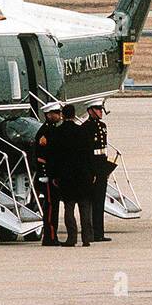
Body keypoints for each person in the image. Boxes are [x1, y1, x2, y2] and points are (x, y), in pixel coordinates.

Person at [51, 103, 93, 247]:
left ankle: (72, 238)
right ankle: (86, 238)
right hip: (82, 175)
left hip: (66, 176)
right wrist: (92, 172)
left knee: (69, 208)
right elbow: (89, 154)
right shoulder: (82, 131)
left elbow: (55, 157)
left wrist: (55, 175)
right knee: (84, 207)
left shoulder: (58, 132)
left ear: (62, 115)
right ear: (74, 115)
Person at [33, 101, 64, 246]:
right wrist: (47, 175)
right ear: (48, 115)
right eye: (56, 113)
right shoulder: (45, 132)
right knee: (51, 207)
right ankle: (50, 237)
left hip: (52, 174)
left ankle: (52, 236)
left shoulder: (52, 130)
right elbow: (43, 156)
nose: (59, 115)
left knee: (54, 207)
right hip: (48, 175)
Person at [85, 98, 114, 242]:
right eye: (97, 109)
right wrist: (91, 172)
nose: (100, 112)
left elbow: (104, 149)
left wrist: (106, 169)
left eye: (101, 109)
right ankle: (91, 232)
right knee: (91, 201)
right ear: (90, 111)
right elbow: (87, 152)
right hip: (93, 168)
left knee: (100, 202)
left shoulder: (102, 126)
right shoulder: (86, 127)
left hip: (102, 167)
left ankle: (99, 232)